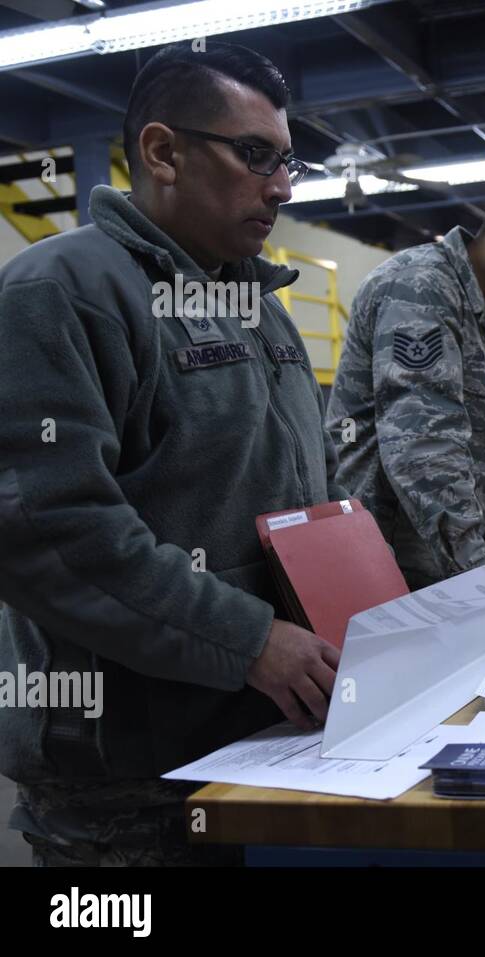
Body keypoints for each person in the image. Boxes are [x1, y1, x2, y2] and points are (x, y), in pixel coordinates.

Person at [0, 41, 344, 865]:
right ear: (162, 152)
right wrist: (249, 639)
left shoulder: (259, 305)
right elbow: (48, 528)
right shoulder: (65, 290)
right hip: (126, 776)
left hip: (257, 739)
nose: (283, 187)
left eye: (288, 160)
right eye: (256, 155)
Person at [326, 187, 485, 612]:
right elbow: (423, 445)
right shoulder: (420, 285)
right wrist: (477, 571)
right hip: (391, 561)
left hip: (453, 561)